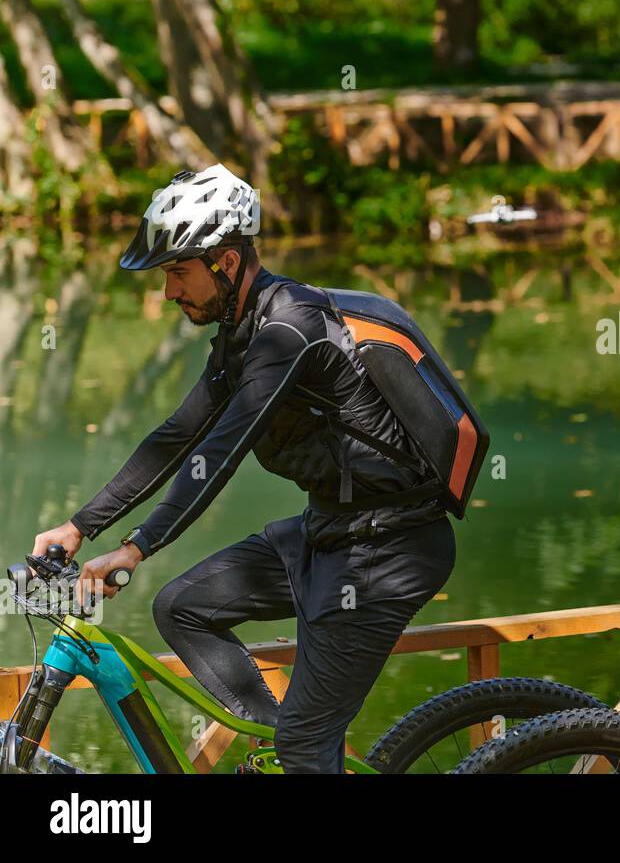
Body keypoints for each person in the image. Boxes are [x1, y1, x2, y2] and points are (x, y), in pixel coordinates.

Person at [32, 164, 456, 773]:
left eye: (178, 271)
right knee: (181, 607)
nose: (169, 290)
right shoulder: (243, 333)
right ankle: (280, 748)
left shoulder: (292, 329)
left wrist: (136, 547)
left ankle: (300, 750)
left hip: (388, 551)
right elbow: (178, 434)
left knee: (308, 749)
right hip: (327, 531)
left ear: (226, 264)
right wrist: (80, 525)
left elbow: (221, 450)